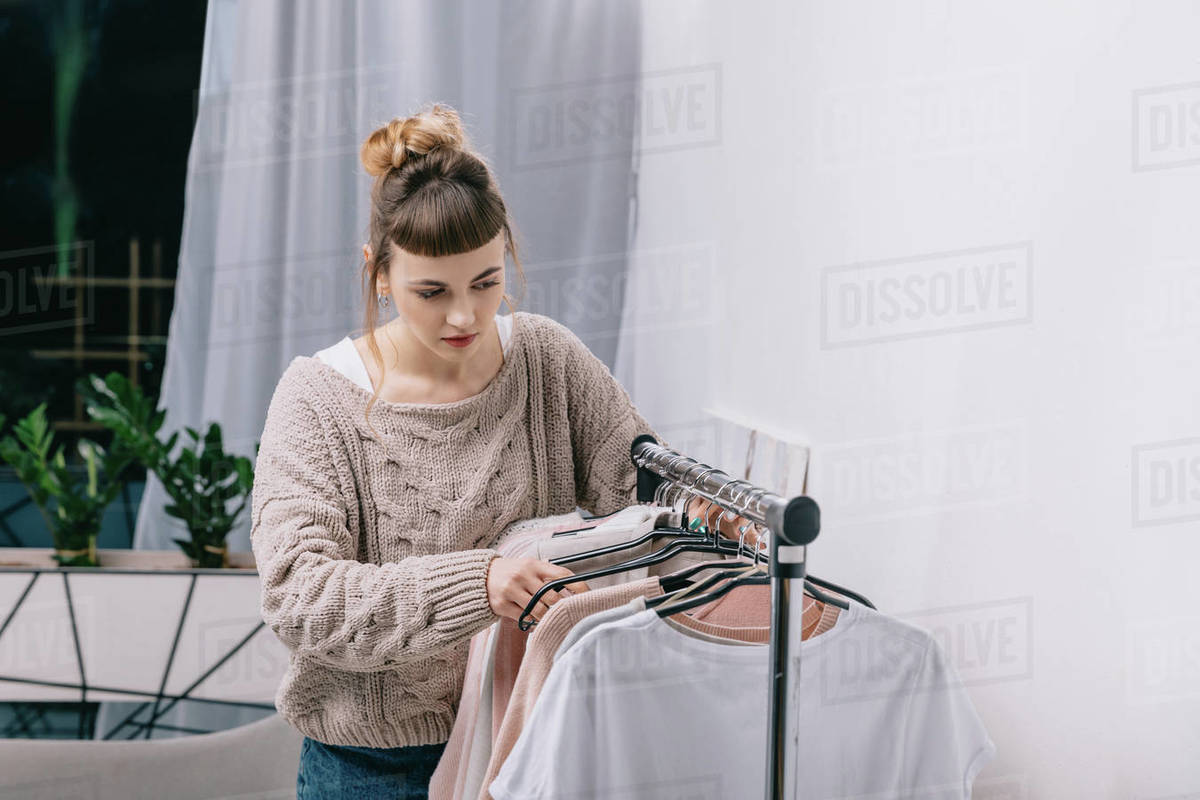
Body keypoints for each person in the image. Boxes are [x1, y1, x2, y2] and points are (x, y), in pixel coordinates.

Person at [249, 102, 750, 799]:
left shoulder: (546, 359)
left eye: (486, 282)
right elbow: (300, 598)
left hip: (531, 745)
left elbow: (635, 493)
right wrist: (479, 583)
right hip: (368, 774)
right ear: (378, 273)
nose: (465, 315)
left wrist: (701, 516)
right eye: (433, 292)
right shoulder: (317, 401)